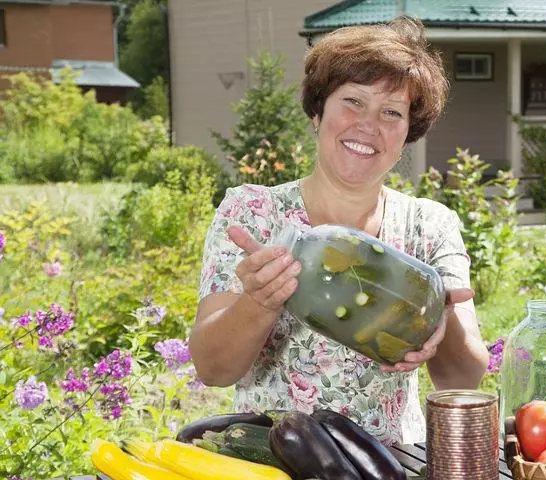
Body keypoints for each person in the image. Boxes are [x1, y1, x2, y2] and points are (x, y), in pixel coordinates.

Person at [189, 15, 490, 446]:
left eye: (392, 112)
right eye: (353, 101)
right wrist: (259, 301)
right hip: (273, 462)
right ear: (317, 111)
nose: (369, 125)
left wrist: (440, 319)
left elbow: (463, 377)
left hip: (390, 465)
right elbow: (213, 369)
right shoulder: (253, 213)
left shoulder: (430, 225)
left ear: (408, 132)